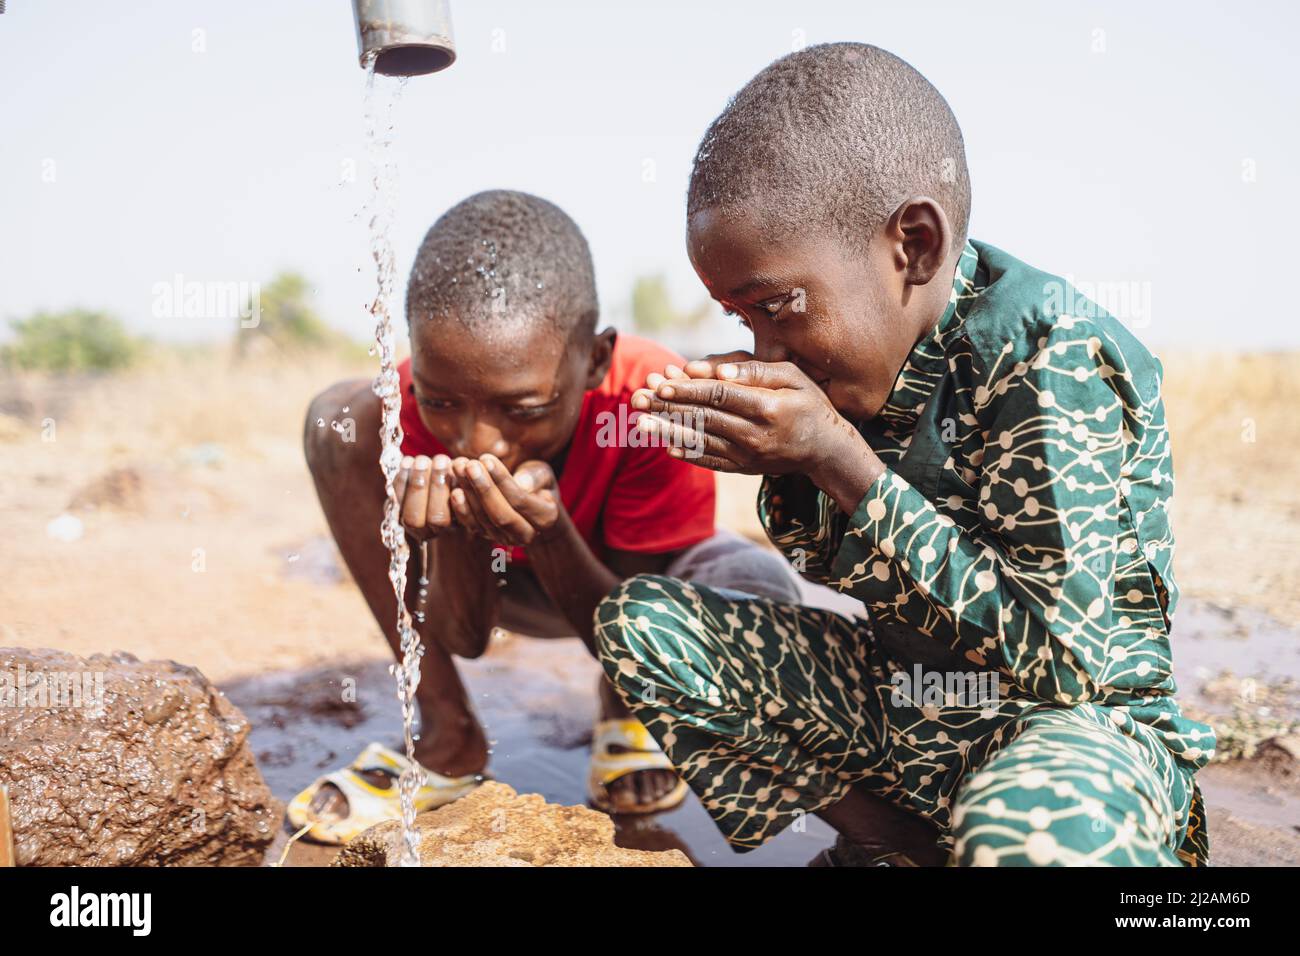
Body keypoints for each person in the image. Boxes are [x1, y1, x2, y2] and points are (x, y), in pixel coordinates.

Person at [595, 44, 1215, 866]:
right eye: (743, 320)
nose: (766, 349)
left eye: (778, 307)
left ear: (914, 246)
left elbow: (1064, 666)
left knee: (1027, 836)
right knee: (641, 625)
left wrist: (838, 459)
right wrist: (789, 466)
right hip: (913, 711)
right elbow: (842, 574)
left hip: (1075, 741)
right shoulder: (862, 370)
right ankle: (896, 847)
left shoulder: (1043, 351)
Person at [289, 189, 796, 843]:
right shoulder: (401, 412)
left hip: (609, 588)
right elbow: (466, 637)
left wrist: (551, 530)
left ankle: (626, 716)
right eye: (441, 401)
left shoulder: (650, 400)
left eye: (524, 409)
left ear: (594, 360)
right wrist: (462, 538)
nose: (479, 444)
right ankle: (448, 731)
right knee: (338, 422)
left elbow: (630, 630)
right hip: (498, 594)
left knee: (754, 580)